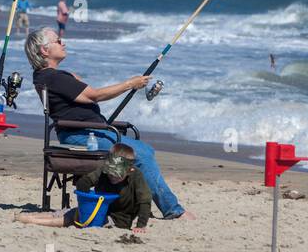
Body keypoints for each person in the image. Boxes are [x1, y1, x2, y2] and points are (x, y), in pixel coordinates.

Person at [26, 26, 192, 220]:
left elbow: (82, 89)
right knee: (143, 154)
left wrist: (73, 78)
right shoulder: (52, 77)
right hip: (82, 134)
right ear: (44, 50)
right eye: (58, 41)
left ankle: (118, 203)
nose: (63, 43)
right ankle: (173, 210)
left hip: (91, 130)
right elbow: (95, 96)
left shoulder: (53, 76)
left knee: (143, 151)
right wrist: (131, 84)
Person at [17, 144, 152, 231]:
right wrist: (86, 200)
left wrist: (141, 225)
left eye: (117, 175)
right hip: (97, 208)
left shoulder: (137, 177)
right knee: (66, 212)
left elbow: (144, 201)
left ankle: (31, 220)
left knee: (72, 220)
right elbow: (84, 182)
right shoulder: (103, 171)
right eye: (110, 172)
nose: (112, 177)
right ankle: (28, 216)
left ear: (130, 170)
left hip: (117, 219)